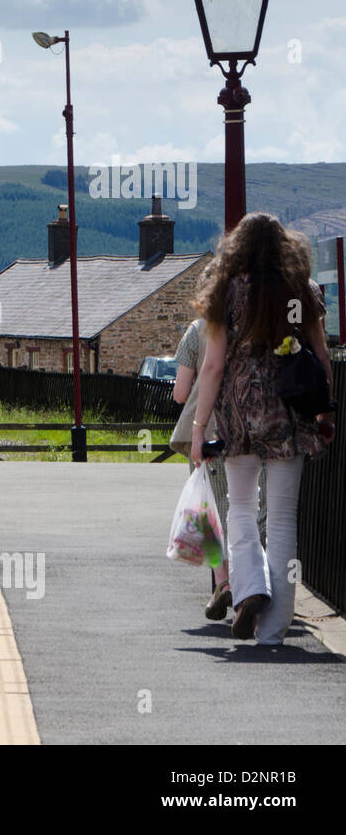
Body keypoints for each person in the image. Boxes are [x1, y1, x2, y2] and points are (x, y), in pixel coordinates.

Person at [190, 213, 336, 644]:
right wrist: (325, 411)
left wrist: (199, 429)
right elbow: (321, 354)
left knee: (240, 507)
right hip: (289, 411)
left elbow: (213, 364)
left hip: (238, 411)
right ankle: (273, 631)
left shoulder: (226, 290)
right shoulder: (300, 292)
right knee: (283, 518)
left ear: (239, 247)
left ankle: (249, 588)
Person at [170, 317, 231, 620]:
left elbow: (181, 392)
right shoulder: (259, 317)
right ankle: (255, 586)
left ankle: (223, 583)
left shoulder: (198, 329)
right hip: (255, 426)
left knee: (212, 510)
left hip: (208, 432)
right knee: (252, 509)